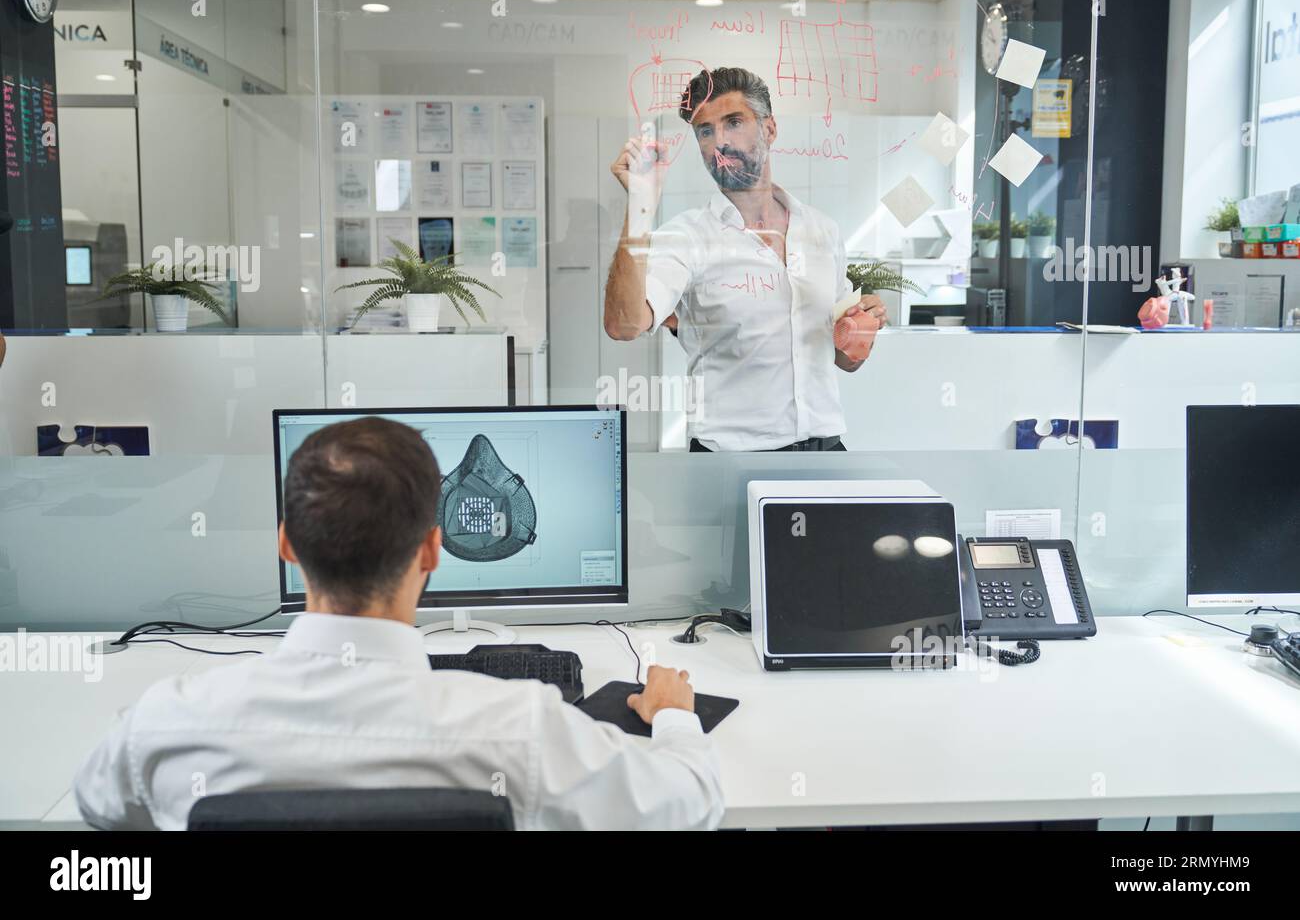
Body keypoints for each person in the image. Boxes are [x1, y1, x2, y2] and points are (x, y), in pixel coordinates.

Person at [73, 417, 724, 830]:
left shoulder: (167, 722)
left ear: (287, 545)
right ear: (433, 549)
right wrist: (671, 713)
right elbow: (690, 801)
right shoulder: (520, 728)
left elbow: (96, 814)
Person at [604, 66, 886, 452]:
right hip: (729, 458)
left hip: (826, 450)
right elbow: (623, 325)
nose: (720, 141)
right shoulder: (687, 237)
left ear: (769, 129)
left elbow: (844, 360)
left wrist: (862, 329)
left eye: (734, 122)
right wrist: (639, 205)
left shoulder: (822, 231)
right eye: (705, 130)